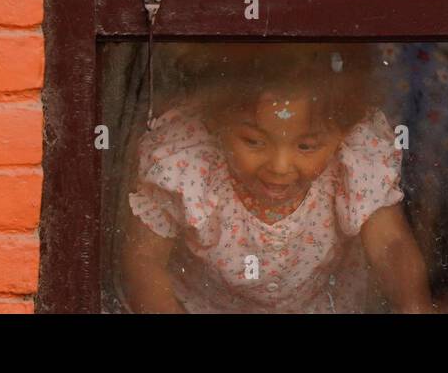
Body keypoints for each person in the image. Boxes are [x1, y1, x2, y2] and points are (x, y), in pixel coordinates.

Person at [119, 45, 432, 313]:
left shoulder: (354, 165)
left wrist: (412, 303)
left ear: (343, 136)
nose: (280, 166)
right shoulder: (187, 164)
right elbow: (144, 258)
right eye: (254, 141)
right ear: (218, 121)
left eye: (306, 146)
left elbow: (391, 243)